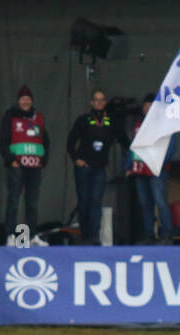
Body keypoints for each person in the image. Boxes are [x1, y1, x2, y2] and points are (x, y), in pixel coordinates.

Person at [68, 89, 124, 244]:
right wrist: (76, 159)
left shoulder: (111, 121)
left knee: (95, 202)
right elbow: (70, 143)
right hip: (84, 168)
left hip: (99, 169)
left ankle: (93, 237)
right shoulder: (83, 120)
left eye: (102, 100)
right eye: (96, 100)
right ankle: (85, 235)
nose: (99, 103)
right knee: (84, 201)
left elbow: (124, 140)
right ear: (91, 102)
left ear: (105, 102)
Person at [0, 84, 49, 247]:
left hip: (34, 166)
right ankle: (11, 235)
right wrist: (10, 160)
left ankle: (32, 235)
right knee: (14, 201)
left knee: (32, 203)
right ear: (18, 101)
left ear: (31, 101)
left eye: (28, 99)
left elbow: (45, 141)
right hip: (17, 165)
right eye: (23, 99)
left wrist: (43, 160)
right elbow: (2, 140)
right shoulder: (10, 116)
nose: (25, 102)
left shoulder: (37, 118)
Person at [126, 93, 175, 243]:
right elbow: (134, 148)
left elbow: (171, 148)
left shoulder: (164, 125)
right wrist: (128, 166)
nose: (147, 108)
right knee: (145, 204)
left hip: (156, 170)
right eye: (146, 105)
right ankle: (149, 234)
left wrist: (158, 163)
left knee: (160, 202)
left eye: (151, 105)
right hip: (141, 170)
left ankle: (167, 234)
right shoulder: (138, 125)